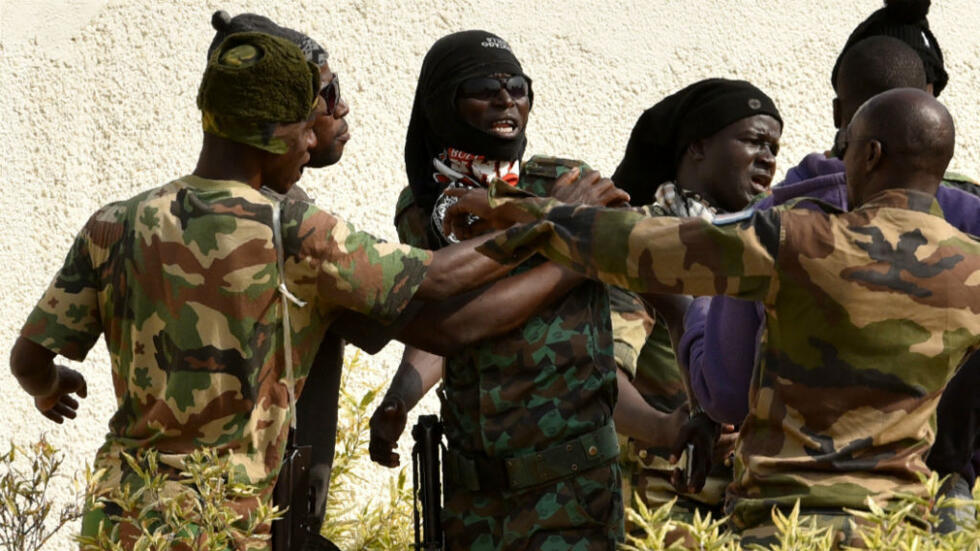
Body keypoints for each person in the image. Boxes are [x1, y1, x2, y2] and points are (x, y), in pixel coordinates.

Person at [8, 31, 526, 549]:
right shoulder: (293, 230)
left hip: (121, 521)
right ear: (273, 133)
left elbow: (27, 359)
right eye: (304, 129)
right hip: (223, 526)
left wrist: (50, 386)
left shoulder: (114, 223)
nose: (310, 143)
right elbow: (438, 278)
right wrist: (545, 225)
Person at [448, 87, 980, 547]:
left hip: (784, 524)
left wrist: (518, 214)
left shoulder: (798, 238)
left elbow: (636, 245)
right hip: (897, 529)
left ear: (871, 155)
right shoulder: (972, 269)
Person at [369, 30, 676, 550]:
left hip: (573, 496)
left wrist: (690, 390)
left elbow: (656, 273)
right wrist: (400, 395)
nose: (506, 100)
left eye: (518, 87)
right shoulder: (420, 207)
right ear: (441, 103)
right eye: (484, 88)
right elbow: (446, 322)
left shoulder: (567, 184)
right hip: (475, 498)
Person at [679, 35, 980, 529]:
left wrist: (697, 312)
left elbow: (727, 393)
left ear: (840, 111)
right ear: (929, 103)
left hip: (787, 515)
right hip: (925, 510)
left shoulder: (770, 225)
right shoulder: (970, 225)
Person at [609, 78, 781, 528]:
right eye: (754, 141)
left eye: (774, 148)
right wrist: (665, 428)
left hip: (759, 498)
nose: (768, 157)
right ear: (698, 146)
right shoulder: (643, 240)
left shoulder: (769, 242)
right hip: (667, 500)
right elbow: (602, 374)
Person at [206, 13, 350, 549]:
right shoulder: (280, 222)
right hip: (254, 522)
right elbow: (418, 307)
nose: (341, 108)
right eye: (327, 94)